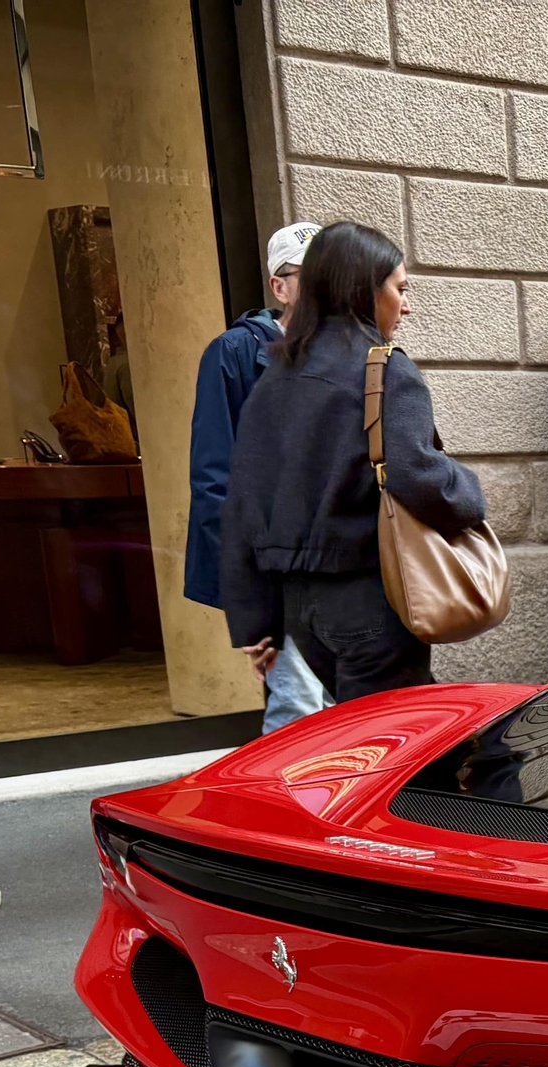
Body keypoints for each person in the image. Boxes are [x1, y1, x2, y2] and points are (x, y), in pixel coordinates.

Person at [222, 222, 486, 700]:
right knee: (393, 735)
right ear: (364, 290)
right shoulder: (382, 368)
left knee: (373, 726)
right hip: (367, 594)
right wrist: (470, 492)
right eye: (400, 289)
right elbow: (419, 478)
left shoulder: (277, 373)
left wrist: (254, 621)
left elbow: (243, 498)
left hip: (300, 609)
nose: (407, 305)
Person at [186, 220, 325, 732]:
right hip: (279, 569)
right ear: (279, 286)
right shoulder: (235, 353)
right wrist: (244, 594)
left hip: (344, 570)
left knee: (351, 717)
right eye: (309, 276)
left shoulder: (354, 353)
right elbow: (214, 477)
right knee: (299, 711)